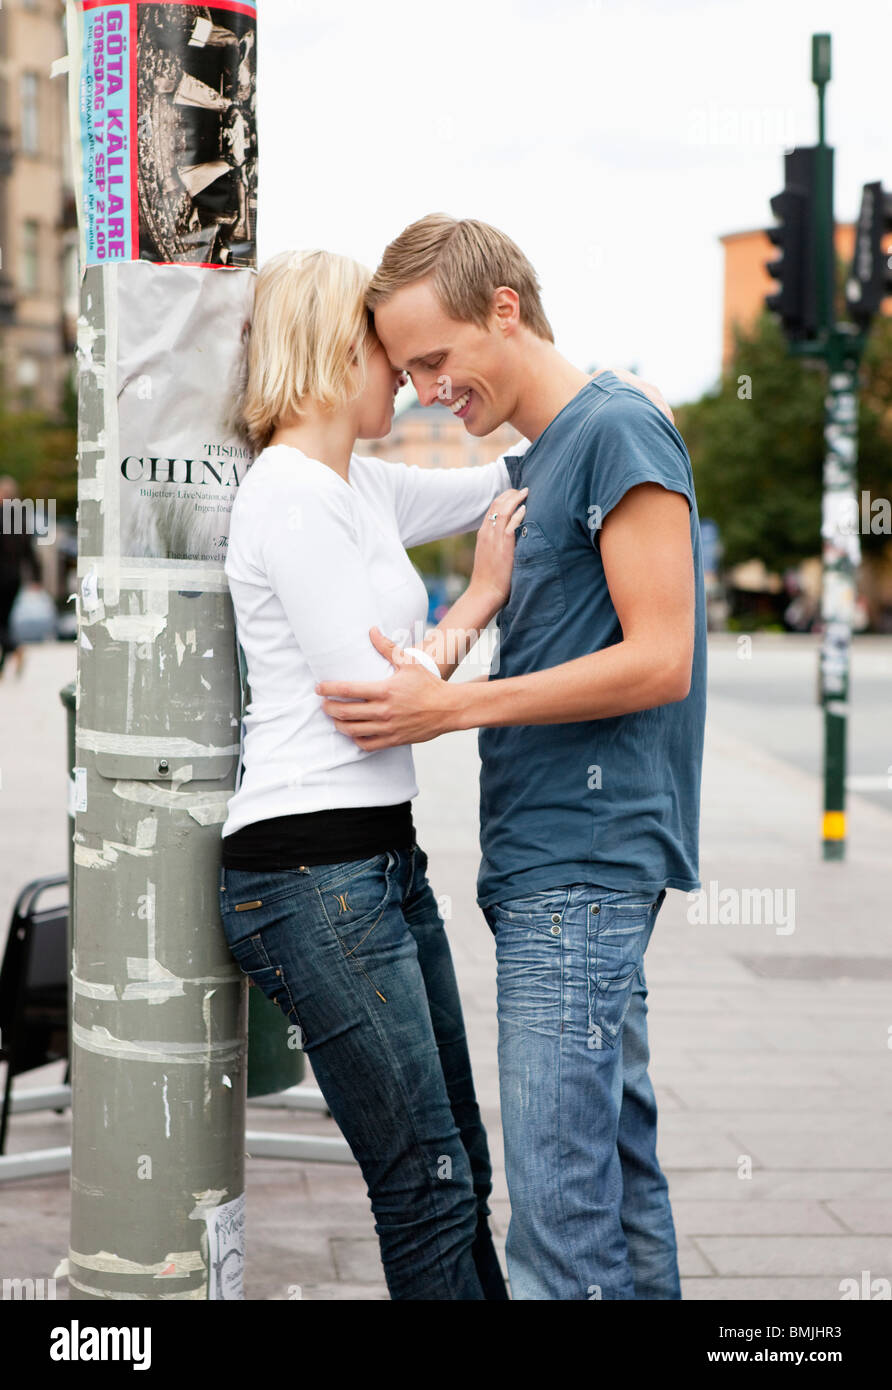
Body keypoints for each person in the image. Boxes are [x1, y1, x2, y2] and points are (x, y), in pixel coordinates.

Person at [314, 214, 707, 1301]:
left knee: (557, 1217)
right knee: (613, 1191)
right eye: (407, 370)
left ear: (505, 309)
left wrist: (452, 710)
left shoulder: (615, 429)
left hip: (582, 868)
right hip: (559, 867)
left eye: (435, 360)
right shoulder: (543, 458)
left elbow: (660, 657)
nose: (428, 390)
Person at [218, 247, 528, 1300]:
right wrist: (477, 601)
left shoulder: (358, 482)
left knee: (461, 1168)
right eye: (385, 354)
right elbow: (375, 703)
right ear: (327, 351)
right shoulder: (289, 493)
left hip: (377, 864)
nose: (404, 374)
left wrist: (595, 397)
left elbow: (506, 476)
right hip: (308, 874)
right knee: (425, 1184)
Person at [0, 475, 41, 679]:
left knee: (3, 624)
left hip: (1, 576)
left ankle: (16, 648)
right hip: (15, 577)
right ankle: (2, 667)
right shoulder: (19, 517)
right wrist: (36, 578)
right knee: (5, 622)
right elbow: (30, 551)